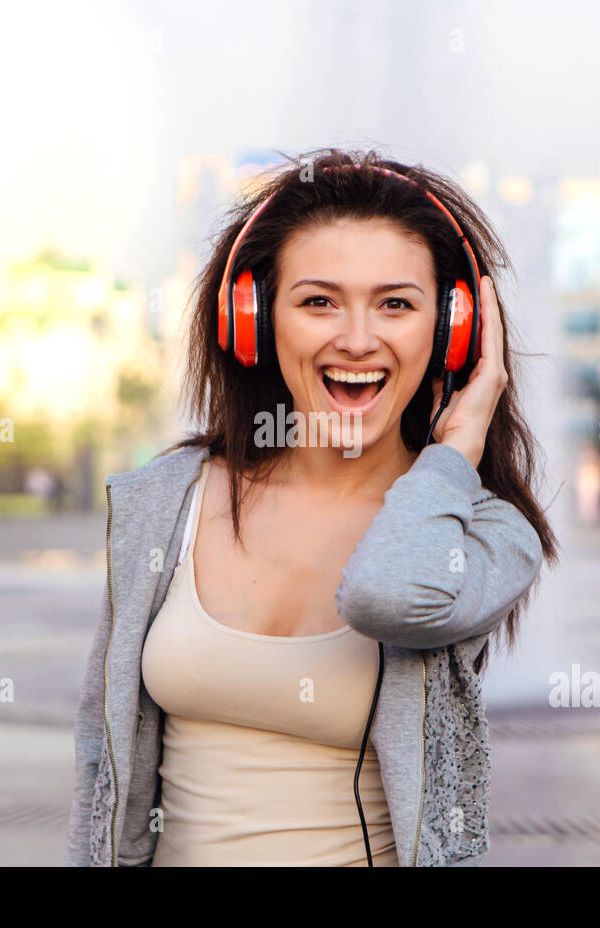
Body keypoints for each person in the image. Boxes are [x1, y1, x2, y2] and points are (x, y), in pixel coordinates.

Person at [66, 149, 557, 868]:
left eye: (396, 304)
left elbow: (384, 595)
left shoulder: (486, 534)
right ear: (255, 320)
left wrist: (454, 452)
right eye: (318, 301)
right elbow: (100, 767)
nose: (357, 339)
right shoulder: (165, 499)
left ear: (454, 333)